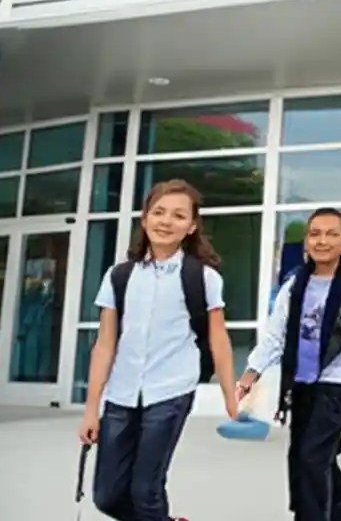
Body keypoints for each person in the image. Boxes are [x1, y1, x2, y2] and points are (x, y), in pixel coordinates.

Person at [77, 179, 238, 521]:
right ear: (145, 218)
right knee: (106, 496)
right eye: (159, 212)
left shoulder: (204, 277)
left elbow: (218, 339)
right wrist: (92, 408)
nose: (166, 221)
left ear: (192, 226)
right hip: (121, 394)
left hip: (170, 390)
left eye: (178, 215)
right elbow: (105, 345)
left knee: (145, 490)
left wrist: (230, 393)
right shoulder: (119, 276)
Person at [237, 208, 341, 521]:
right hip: (301, 384)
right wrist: (251, 373)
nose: (322, 241)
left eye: (332, 234)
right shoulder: (295, 284)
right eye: (315, 233)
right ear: (306, 241)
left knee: (310, 458)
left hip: (337, 384)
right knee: (308, 456)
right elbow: (275, 334)